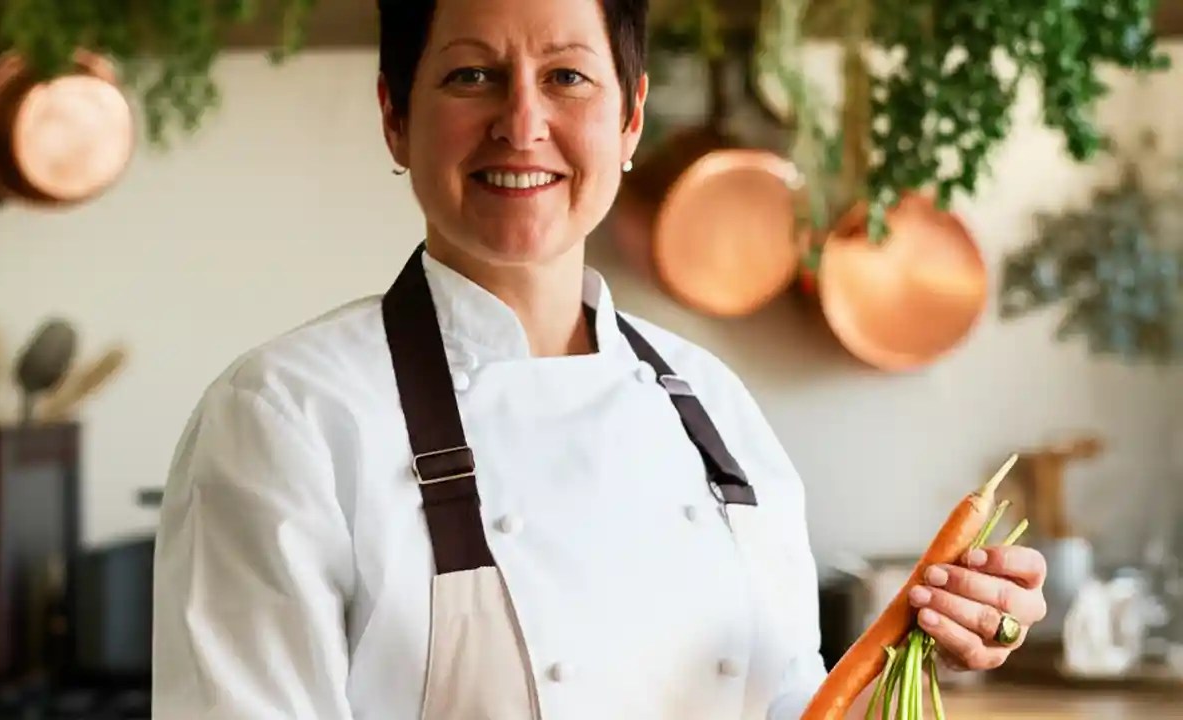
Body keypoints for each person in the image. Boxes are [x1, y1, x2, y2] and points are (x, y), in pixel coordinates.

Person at [150, 0, 1049, 717]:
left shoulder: (713, 406)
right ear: (395, 117)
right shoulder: (284, 416)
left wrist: (924, 648)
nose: (523, 122)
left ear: (629, 120)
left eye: (568, 77)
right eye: (472, 75)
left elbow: (783, 705)